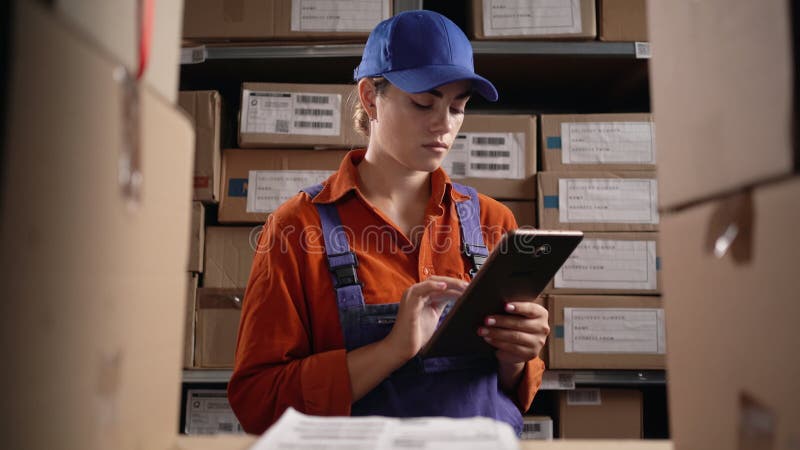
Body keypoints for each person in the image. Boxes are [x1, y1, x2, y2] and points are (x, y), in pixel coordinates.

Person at [228, 10, 549, 435]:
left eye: (457, 107)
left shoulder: (493, 221)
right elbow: (257, 401)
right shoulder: (296, 229)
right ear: (369, 97)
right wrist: (392, 350)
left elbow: (510, 392)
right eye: (423, 103)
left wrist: (516, 357)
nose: (444, 125)